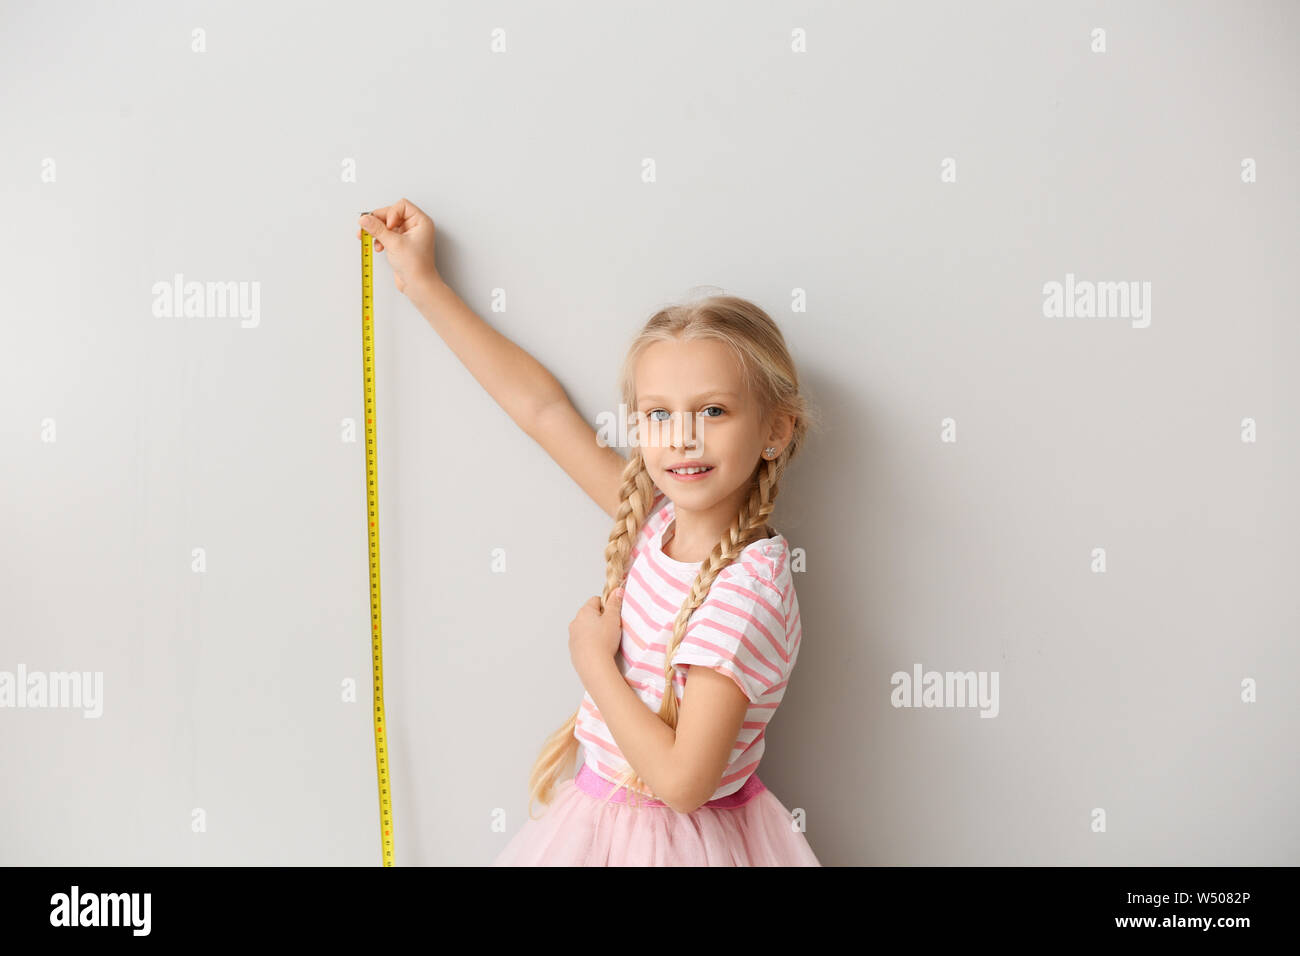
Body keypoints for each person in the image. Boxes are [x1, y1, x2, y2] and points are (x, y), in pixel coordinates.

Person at [357, 200, 823, 866]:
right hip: (599, 820)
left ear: (776, 430)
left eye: (713, 410)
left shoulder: (746, 593)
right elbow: (542, 410)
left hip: (674, 844)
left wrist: (590, 661)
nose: (683, 436)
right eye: (658, 414)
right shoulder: (654, 521)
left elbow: (684, 783)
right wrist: (424, 284)